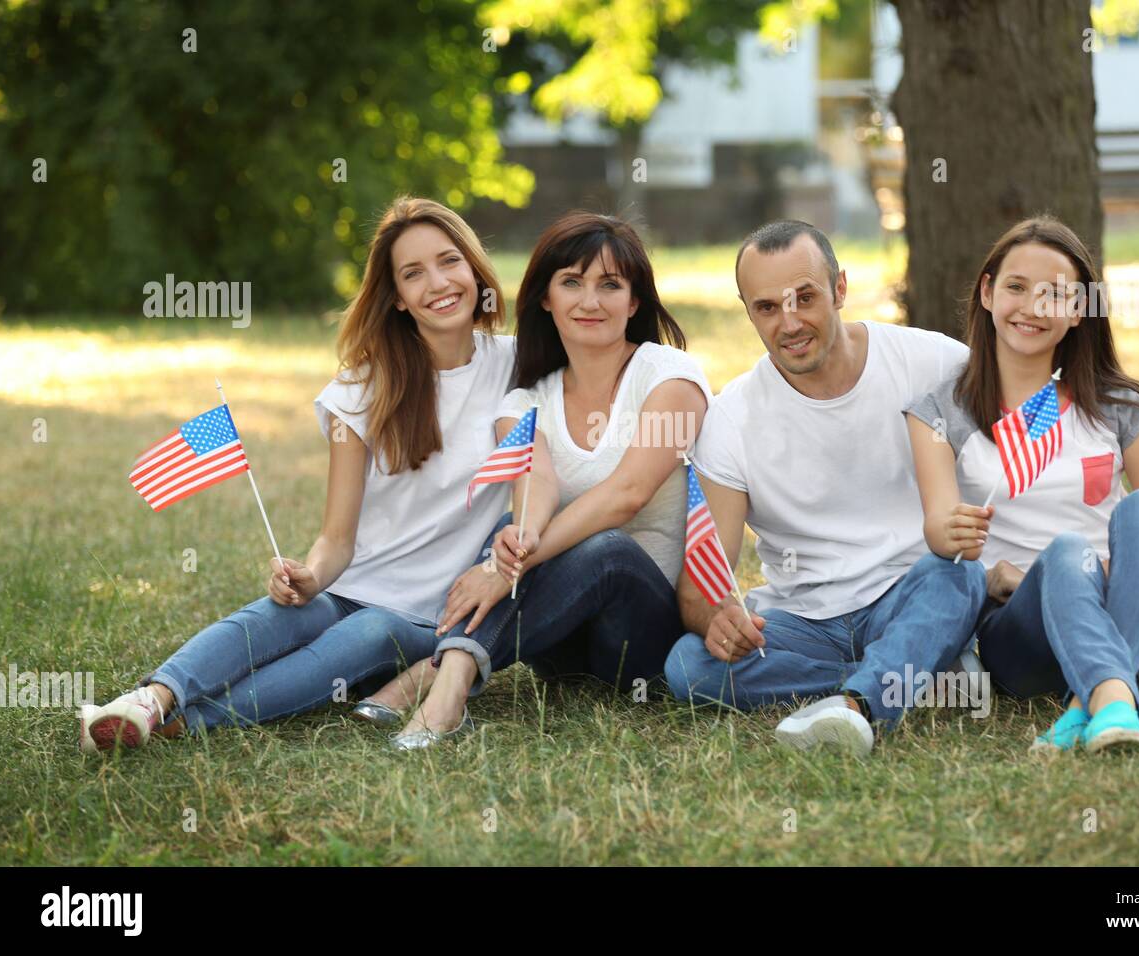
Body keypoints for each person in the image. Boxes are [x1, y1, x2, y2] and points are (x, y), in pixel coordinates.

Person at [80, 196, 517, 752]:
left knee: (365, 634)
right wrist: (309, 573)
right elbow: (337, 537)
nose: (437, 282)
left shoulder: (516, 365)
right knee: (277, 616)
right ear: (399, 299)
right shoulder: (363, 388)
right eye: (413, 274)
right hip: (354, 585)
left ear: (474, 268)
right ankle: (152, 699)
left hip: (428, 618)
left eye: (449, 261)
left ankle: (186, 723)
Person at [359, 211, 712, 750]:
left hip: (641, 644)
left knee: (609, 549)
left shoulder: (670, 378)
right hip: (560, 652)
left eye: (609, 285)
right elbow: (536, 485)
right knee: (510, 524)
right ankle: (449, 676)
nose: (589, 302)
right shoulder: (524, 401)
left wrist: (504, 573)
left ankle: (439, 682)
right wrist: (517, 542)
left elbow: (627, 495)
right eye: (571, 282)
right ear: (545, 298)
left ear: (634, 301)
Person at [663, 220, 986, 757]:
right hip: (805, 621)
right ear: (749, 311)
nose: (788, 323)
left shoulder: (932, 362)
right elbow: (704, 585)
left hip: (907, 593)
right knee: (686, 667)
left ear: (839, 289)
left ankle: (860, 702)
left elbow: (1038, 462)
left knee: (958, 574)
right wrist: (717, 621)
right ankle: (915, 671)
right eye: (766, 308)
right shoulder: (732, 416)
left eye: (804, 298)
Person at [904, 215, 1139, 753]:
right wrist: (971, 547)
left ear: (1079, 311)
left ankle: (1091, 701)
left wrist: (1110, 576)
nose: (1033, 307)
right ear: (988, 292)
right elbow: (940, 531)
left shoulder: (1117, 406)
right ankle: (1112, 699)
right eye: (1017, 287)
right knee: (1066, 552)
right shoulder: (939, 412)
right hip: (1025, 639)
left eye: (1056, 294)